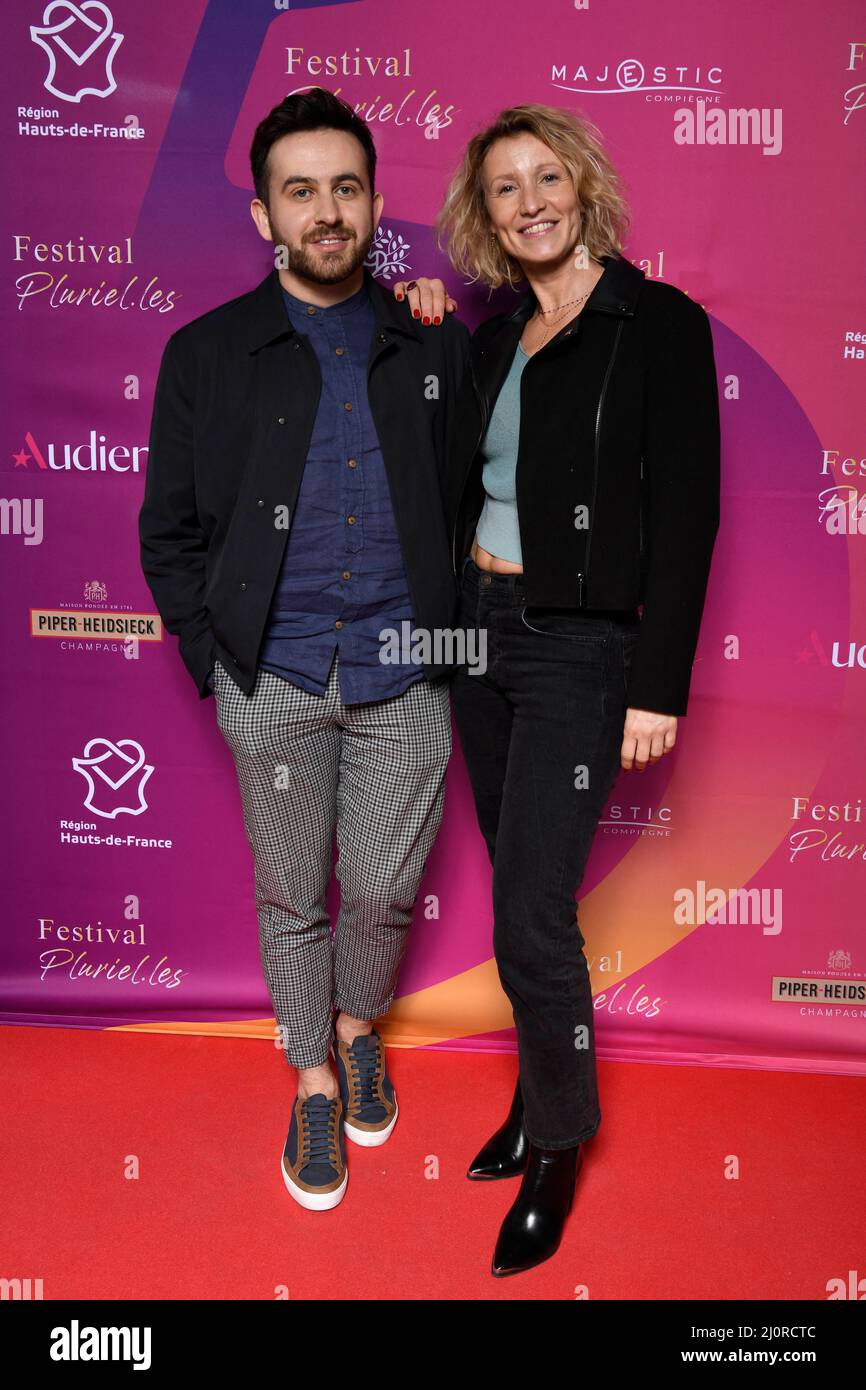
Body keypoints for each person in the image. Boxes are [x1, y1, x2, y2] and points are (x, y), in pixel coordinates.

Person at [396, 102, 720, 1276]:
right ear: (480, 218)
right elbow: (437, 461)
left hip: (579, 645)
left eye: (546, 177)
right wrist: (421, 329)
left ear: (581, 185)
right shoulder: (490, 339)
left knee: (530, 906)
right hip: (477, 635)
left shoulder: (657, 324)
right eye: (502, 188)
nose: (528, 201)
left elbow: (687, 516)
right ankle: (539, 1100)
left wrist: (655, 683)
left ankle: (555, 1141)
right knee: (519, 891)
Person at [138, 88, 469, 1211]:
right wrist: (215, 659)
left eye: (344, 188)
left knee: (379, 888)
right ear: (261, 214)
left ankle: (358, 1021)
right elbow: (167, 531)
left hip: (406, 672)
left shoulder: (429, 342)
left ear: (372, 204)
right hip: (269, 680)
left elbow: (486, 491)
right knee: (292, 895)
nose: (325, 212)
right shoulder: (205, 353)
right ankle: (316, 1077)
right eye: (300, 191)